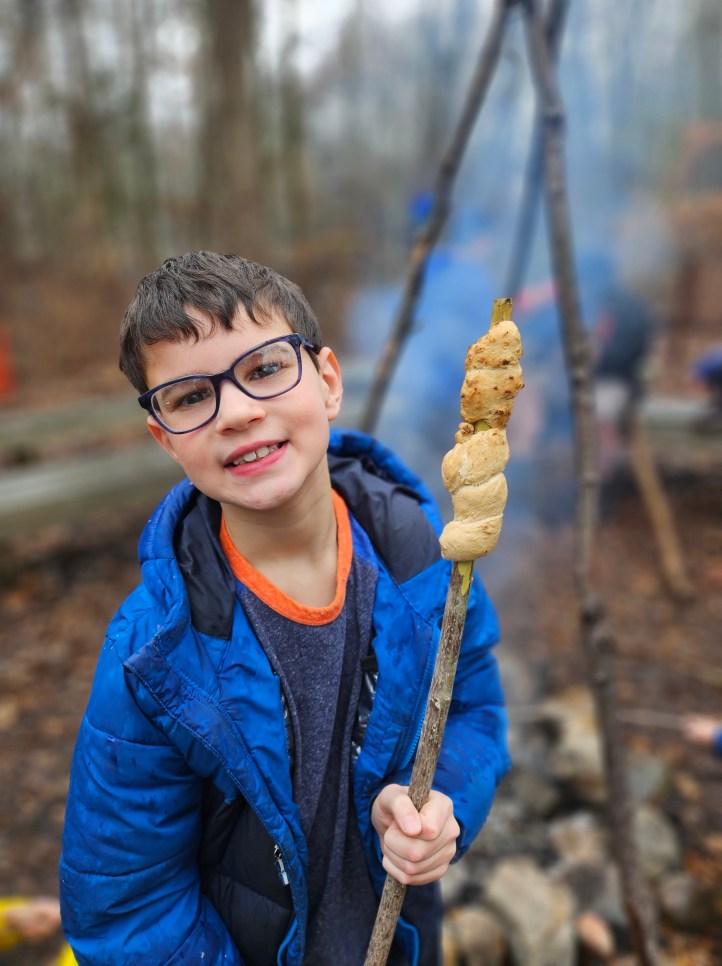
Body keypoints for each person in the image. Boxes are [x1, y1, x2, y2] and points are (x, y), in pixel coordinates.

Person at [59, 252, 510, 965]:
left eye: (266, 368)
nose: (237, 412)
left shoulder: (425, 564)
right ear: (164, 438)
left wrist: (443, 796)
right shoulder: (154, 657)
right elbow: (128, 907)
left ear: (327, 381)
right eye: (188, 397)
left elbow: (471, 710)